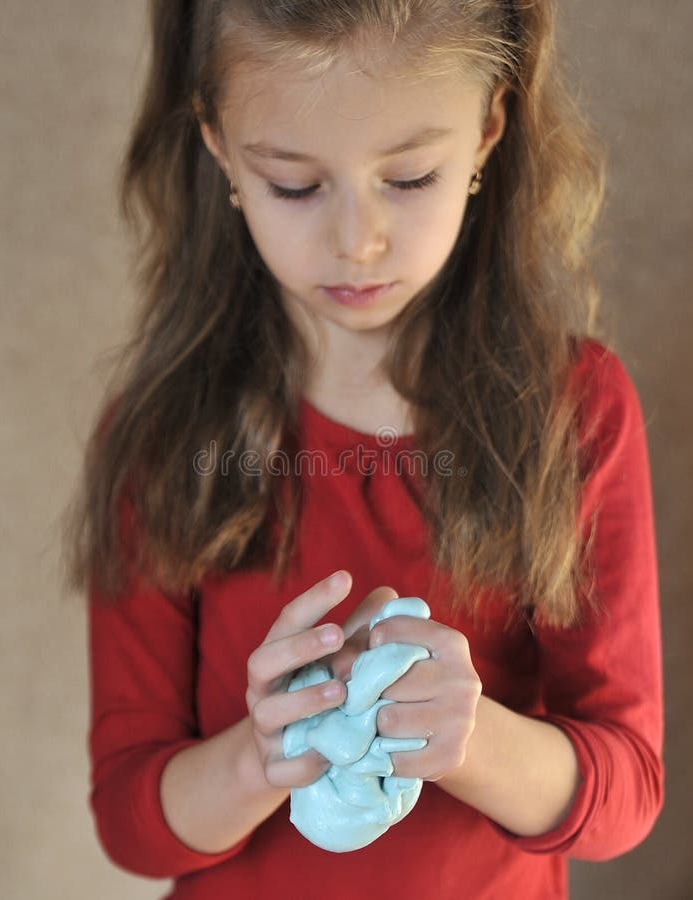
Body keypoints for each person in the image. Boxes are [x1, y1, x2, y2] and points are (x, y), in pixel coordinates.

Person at [62, 1, 664, 897]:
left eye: (410, 177)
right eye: (296, 186)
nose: (357, 241)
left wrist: (472, 735)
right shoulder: (165, 437)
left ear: (490, 128)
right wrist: (262, 753)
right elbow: (133, 828)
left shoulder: (573, 409)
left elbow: (627, 796)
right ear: (221, 146)